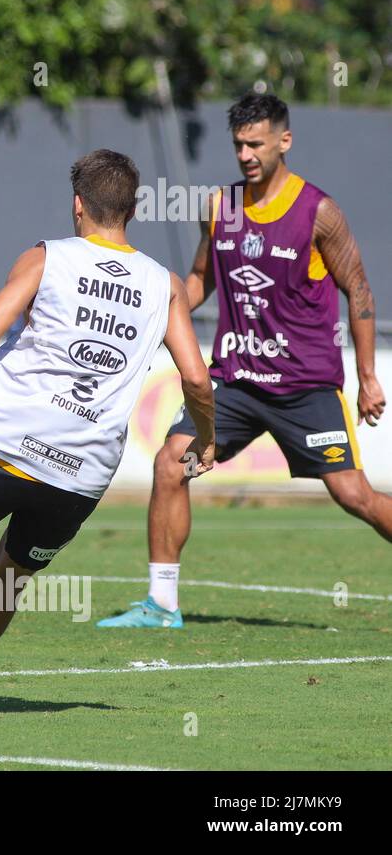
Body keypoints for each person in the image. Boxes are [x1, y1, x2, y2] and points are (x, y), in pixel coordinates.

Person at [0, 150, 216, 718]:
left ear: (78, 205)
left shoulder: (46, 257)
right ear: (132, 209)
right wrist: (208, 438)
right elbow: (197, 380)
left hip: (7, 445)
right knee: (9, 578)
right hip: (84, 473)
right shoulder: (165, 284)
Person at [98, 92, 390, 629]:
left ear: (285, 140)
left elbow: (361, 292)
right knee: (173, 464)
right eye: (238, 144)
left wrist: (368, 377)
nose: (246, 153)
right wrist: (157, 313)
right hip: (232, 387)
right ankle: (161, 606)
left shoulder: (318, 212)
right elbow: (200, 278)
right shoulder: (220, 206)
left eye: (256, 143)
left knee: (355, 495)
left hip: (304, 389)